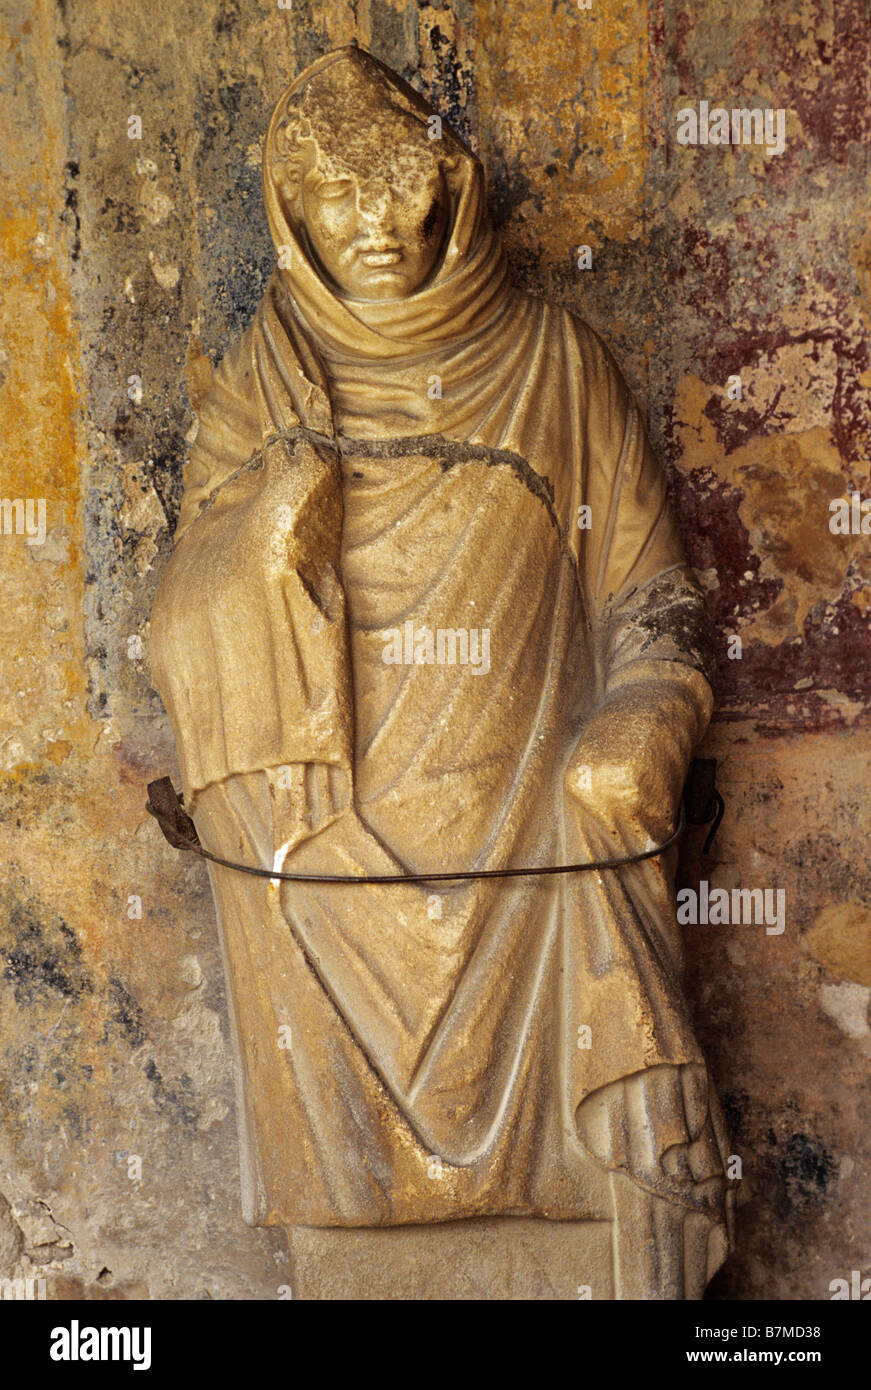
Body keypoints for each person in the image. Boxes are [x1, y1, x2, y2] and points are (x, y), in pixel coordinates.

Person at [150, 45, 732, 1298]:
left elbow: (651, 593)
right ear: (287, 209)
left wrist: (647, 711)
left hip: (532, 830)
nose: (372, 228)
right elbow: (187, 624)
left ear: (449, 189)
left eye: (394, 191)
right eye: (333, 196)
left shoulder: (555, 366)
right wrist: (257, 546)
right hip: (322, 848)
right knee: (353, 1194)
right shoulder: (263, 387)